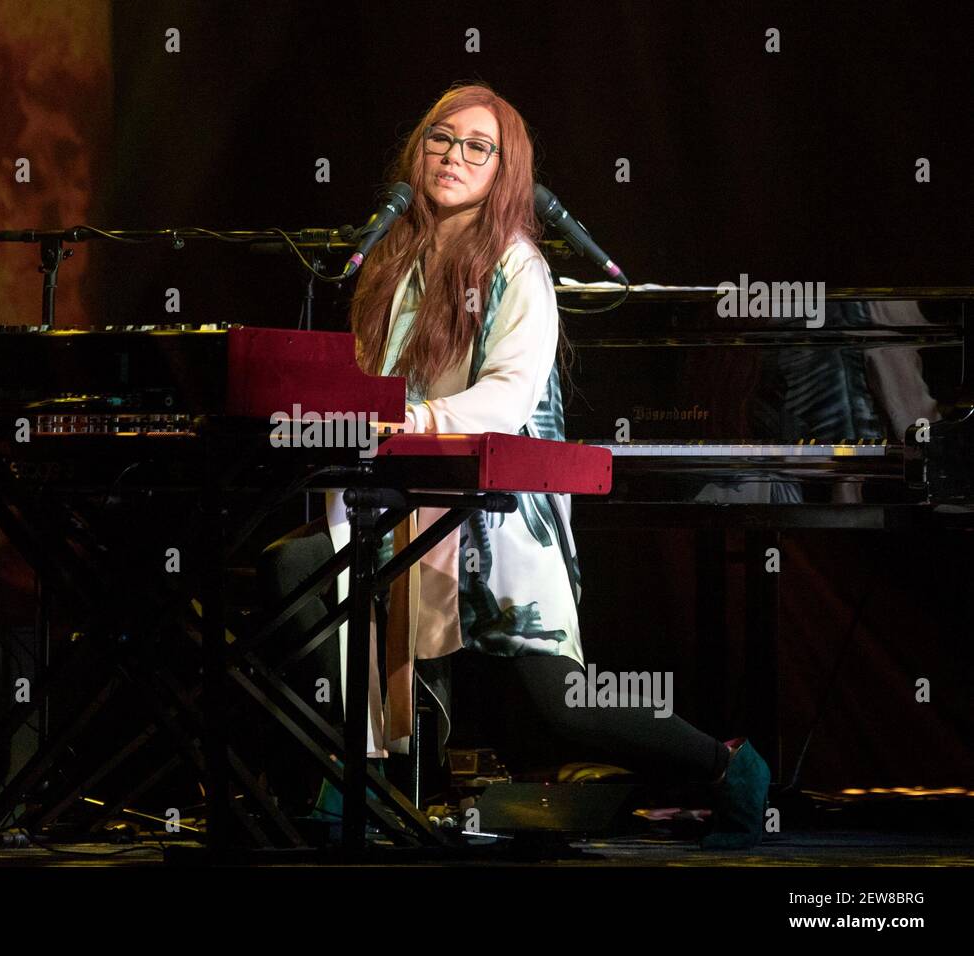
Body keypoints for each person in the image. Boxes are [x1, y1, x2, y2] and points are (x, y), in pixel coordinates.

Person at [295, 82, 769, 848]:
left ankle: (727, 766)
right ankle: (360, 775)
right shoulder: (392, 261)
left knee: (564, 705)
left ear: (504, 169)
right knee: (310, 575)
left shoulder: (518, 266)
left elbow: (507, 398)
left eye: (476, 147)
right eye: (440, 139)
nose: (453, 157)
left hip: (500, 505)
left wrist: (404, 424)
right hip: (408, 491)